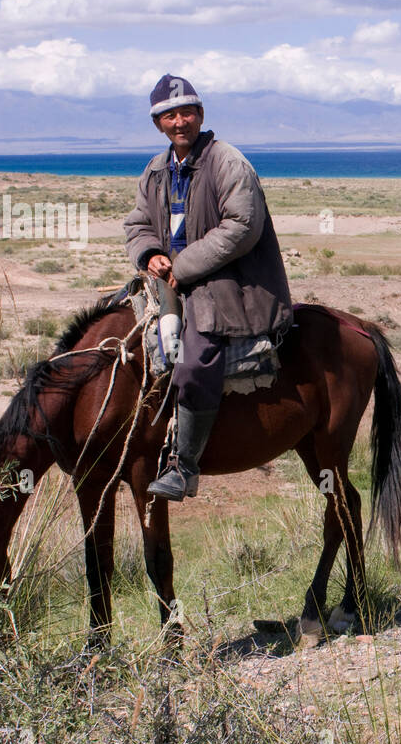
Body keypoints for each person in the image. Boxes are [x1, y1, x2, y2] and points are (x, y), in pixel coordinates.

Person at [124, 74, 292, 500]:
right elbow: (138, 223)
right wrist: (150, 255)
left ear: (200, 115)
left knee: (194, 359)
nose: (178, 121)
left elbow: (243, 226)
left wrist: (185, 263)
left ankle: (185, 466)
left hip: (227, 282)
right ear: (158, 123)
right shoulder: (157, 169)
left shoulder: (227, 162)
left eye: (186, 112)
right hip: (172, 278)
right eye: (168, 115)